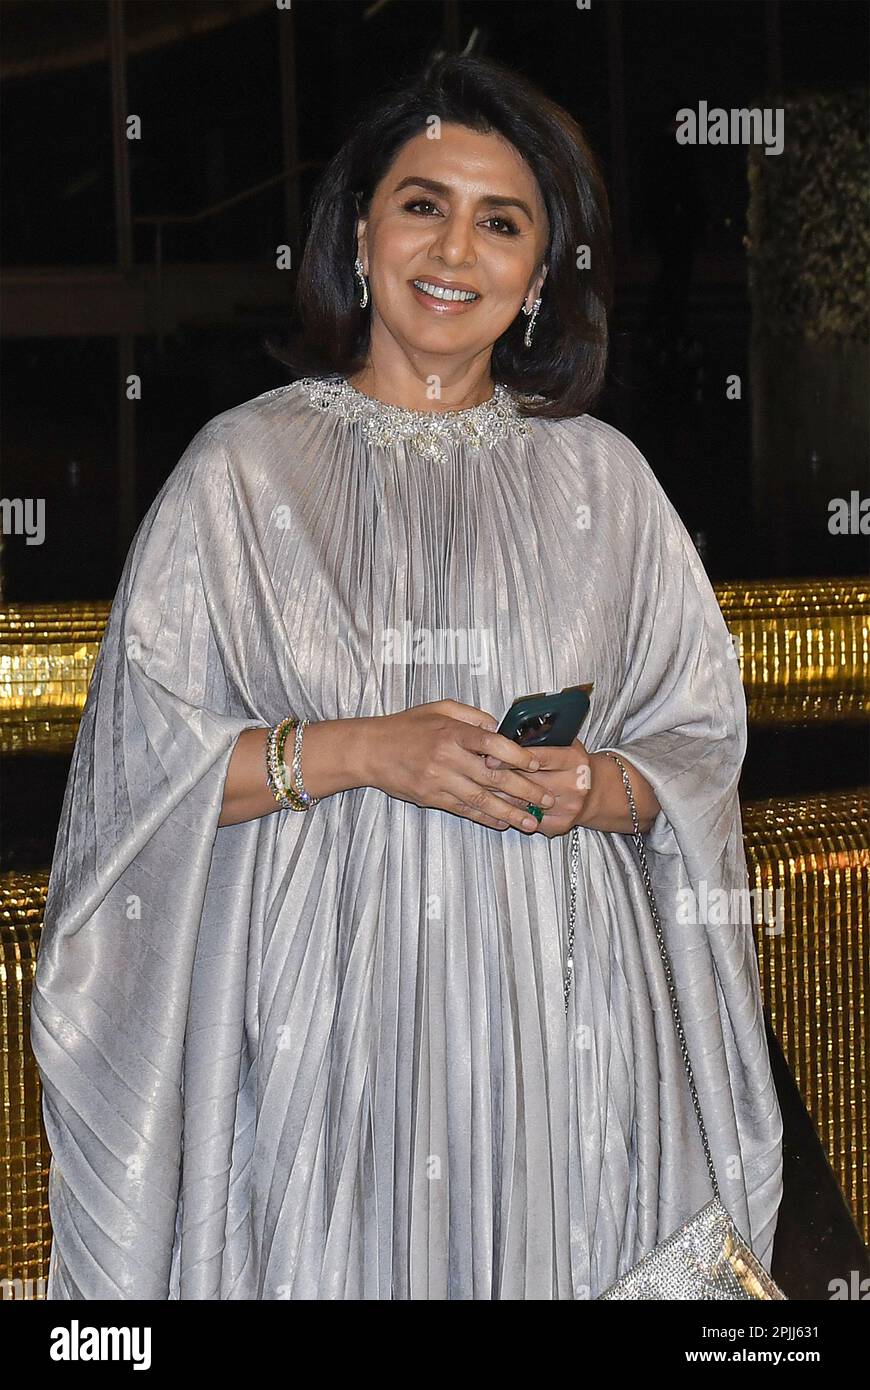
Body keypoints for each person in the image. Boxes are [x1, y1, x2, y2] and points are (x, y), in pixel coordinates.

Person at [30, 54, 783, 1300]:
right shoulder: (244, 473)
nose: (456, 248)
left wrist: (598, 785)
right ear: (361, 232)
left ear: (539, 277)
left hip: (569, 1035)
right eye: (423, 202)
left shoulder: (605, 485)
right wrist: (362, 751)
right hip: (321, 1031)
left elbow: (699, 743)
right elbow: (131, 787)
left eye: (503, 222)